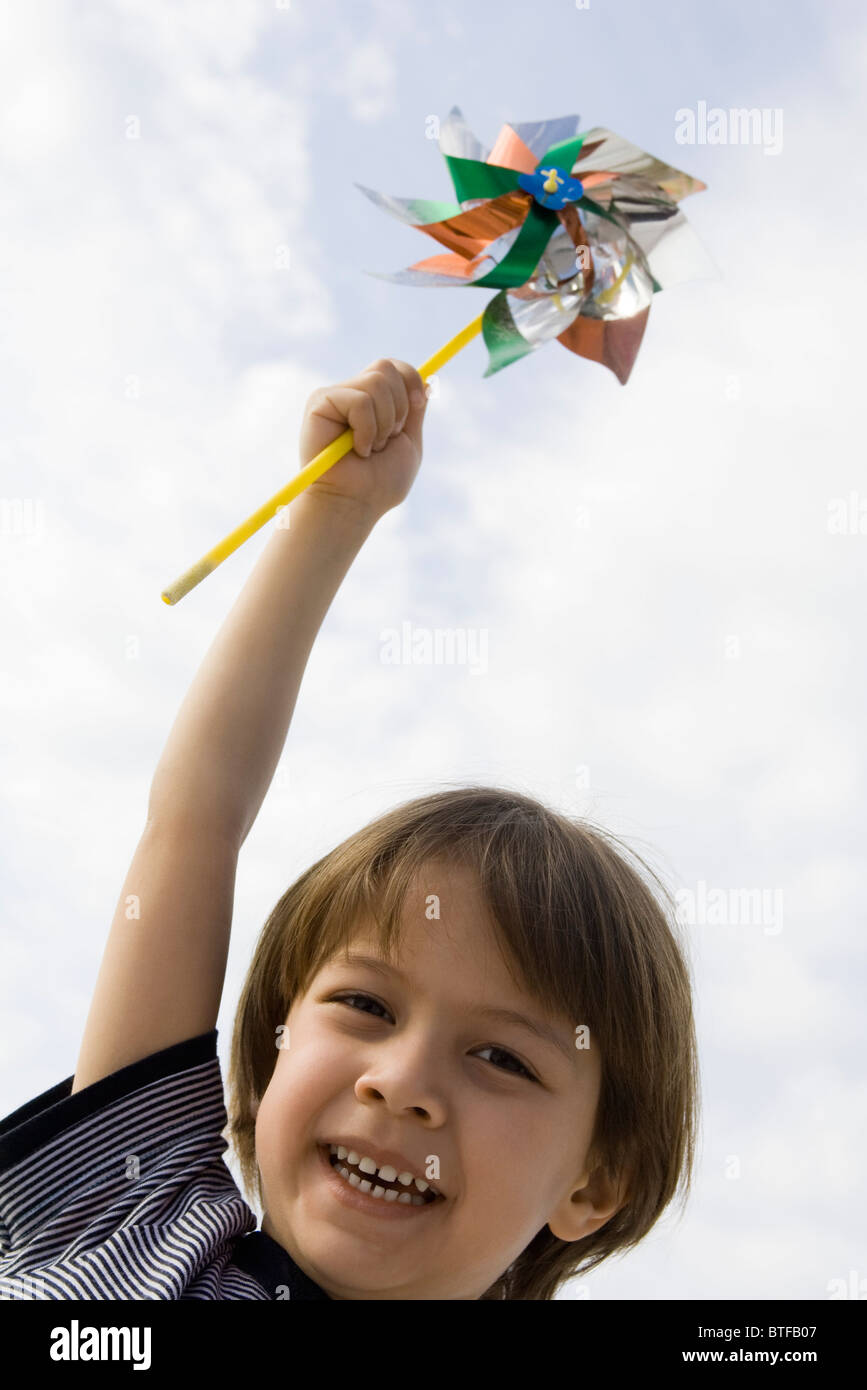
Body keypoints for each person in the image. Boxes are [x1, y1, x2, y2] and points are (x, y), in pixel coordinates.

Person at [0, 359, 699, 1300]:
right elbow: (197, 823)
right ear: (269, 1057)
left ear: (596, 1181)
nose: (399, 1082)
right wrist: (332, 513)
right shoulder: (137, 1214)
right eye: (365, 1007)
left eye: (502, 1058)